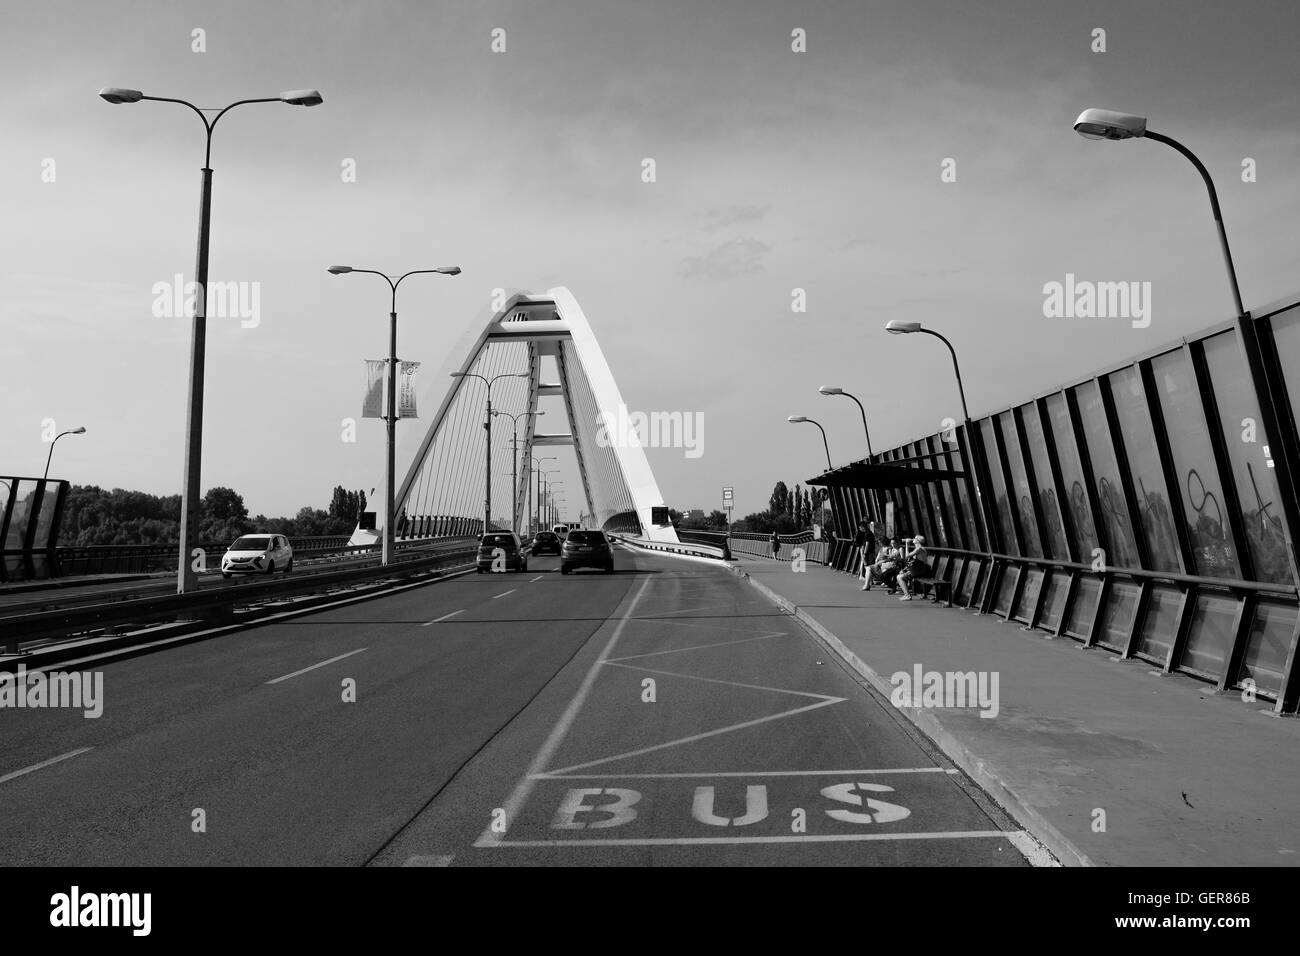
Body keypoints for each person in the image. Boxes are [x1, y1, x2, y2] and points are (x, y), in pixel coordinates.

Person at [898, 534, 933, 601]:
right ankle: (907, 594)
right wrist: (905, 569)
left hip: (920, 570)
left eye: (914, 538)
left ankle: (907, 595)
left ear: (917, 541)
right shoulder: (918, 548)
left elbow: (907, 556)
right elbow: (913, 562)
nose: (913, 539)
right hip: (918, 569)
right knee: (901, 574)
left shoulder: (919, 548)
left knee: (899, 577)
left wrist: (907, 544)